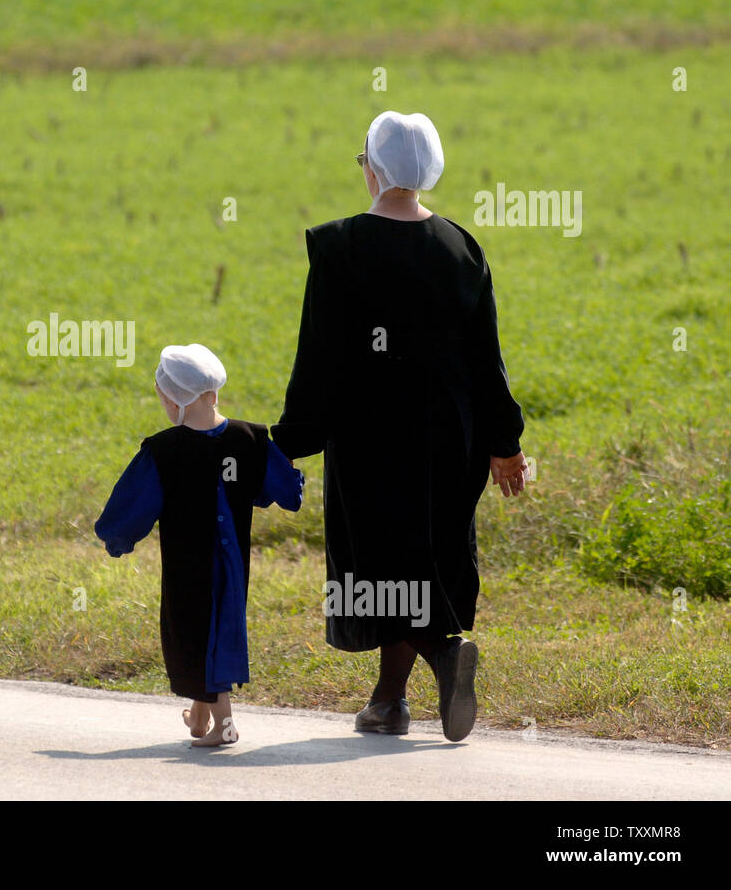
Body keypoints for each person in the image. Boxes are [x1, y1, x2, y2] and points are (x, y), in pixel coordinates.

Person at [272, 110, 526, 742]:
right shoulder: (462, 247)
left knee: (379, 568)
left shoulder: (339, 247)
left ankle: (441, 658)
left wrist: (290, 440)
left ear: (375, 169)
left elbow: (319, 355)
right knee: (425, 558)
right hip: (450, 437)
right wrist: (503, 444)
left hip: (368, 435)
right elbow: (486, 359)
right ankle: (390, 702)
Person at [96, 344, 304, 746]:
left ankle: (225, 725)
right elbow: (286, 491)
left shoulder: (164, 452)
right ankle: (199, 717)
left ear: (171, 399)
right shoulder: (252, 438)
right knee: (209, 632)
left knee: (194, 631)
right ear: (214, 392)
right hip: (233, 563)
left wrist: (116, 537)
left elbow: (130, 508)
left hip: (189, 567)